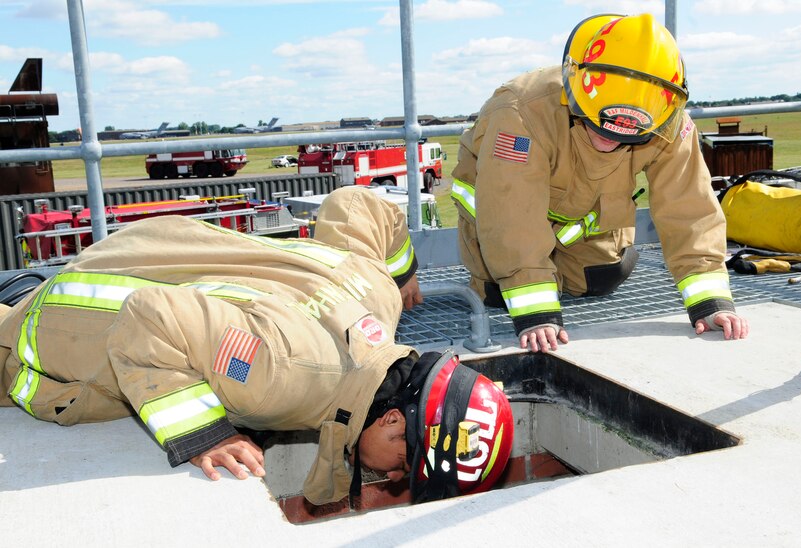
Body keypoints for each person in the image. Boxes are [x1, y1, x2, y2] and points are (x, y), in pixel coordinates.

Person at [0, 186, 513, 506]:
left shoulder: (377, 295)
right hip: (71, 323)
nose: (395, 475)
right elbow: (150, 319)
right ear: (393, 420)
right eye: (406, 462)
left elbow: (357, 205)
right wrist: (205, 435)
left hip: (138, 255)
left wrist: (400, 274)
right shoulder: (280, 376)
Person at [451, 13, 750, 354]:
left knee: (602, 277)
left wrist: (711, 302)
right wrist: (536, 311)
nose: (611, 139)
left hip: (578, 219)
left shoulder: (667, 118)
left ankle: (556, 268)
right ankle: (523, 274)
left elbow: (689, 206)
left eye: (628, 134)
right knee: (502, 292)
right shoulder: (520, 111)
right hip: (500, 214)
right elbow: (510, 209)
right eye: (599, 124)